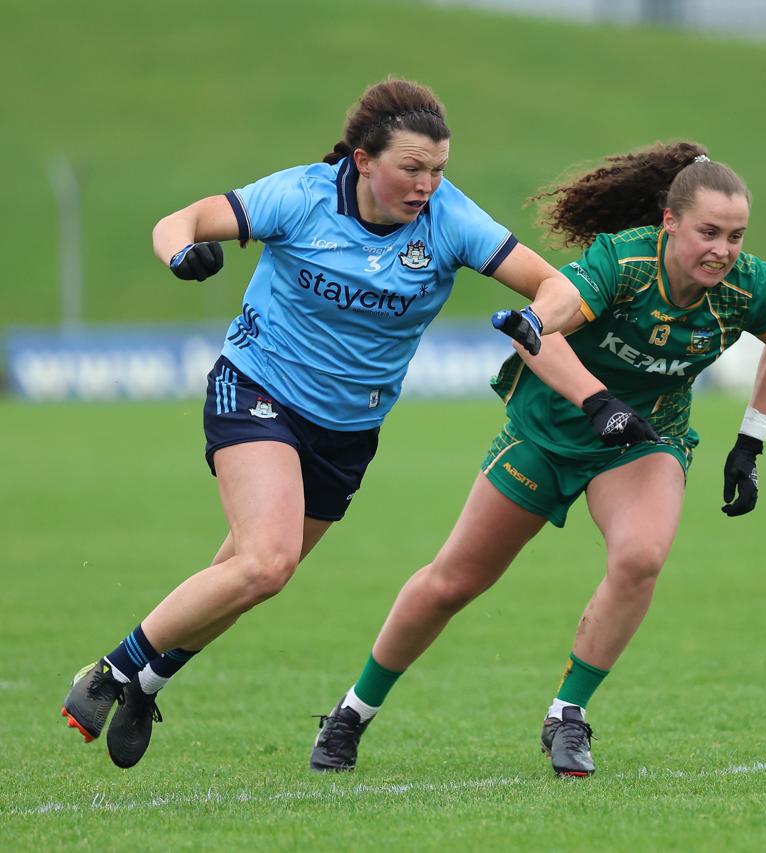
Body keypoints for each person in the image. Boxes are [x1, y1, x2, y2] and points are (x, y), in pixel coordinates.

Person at [59, 76, 583, 770]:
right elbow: (175, 222)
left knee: (242, 573)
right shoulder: (302, 196)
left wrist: (535, 319)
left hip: (346, 433)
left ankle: (149, 679)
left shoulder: (450, 220)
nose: (427, 184)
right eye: (411, 168)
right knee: (267, 562)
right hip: (257, 388)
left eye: (438, 170)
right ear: (363, 162)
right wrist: (183, 254)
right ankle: (108, 674)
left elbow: (562, 288)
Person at [310, 140, 766, 776]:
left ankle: (568, 715)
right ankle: (353, 712)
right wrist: (570, 364)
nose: (723, 250)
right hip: (546, 432)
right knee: (455, 581)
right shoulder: (621, 264)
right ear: (670, 223)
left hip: (642, 440)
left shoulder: (748, 287)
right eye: (708, 232)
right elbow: (541, 326)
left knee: (641, 556)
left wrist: (750, 442)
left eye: (735, 235)